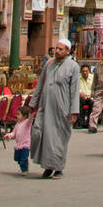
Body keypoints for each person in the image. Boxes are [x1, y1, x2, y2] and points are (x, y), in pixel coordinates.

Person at [29, 38, 80, 178]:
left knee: (58, 139)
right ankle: (47, 164)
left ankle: (57, 168)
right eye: (56, 48)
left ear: (67, 51)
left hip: (62, 108)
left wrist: (74, 111)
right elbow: (40, 85)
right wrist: (32, 104)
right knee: (39, 134)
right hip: (45, 106)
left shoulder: (73, 66)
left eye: (60, 49)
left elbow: (75, 90)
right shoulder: (49, 64)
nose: (57, 51)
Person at [7, 103, 33, 175]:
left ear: (24, 116)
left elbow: (30, 119)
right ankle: (24, 166)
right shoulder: (18, 124)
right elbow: (14, 133)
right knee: (17, 158)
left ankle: (24, 170)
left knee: (23, 158)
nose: (17, 116)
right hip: (18, 145)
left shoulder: (27, 123)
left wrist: (31, 113)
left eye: (18, 114)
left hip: (25, 144)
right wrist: (9, 135)